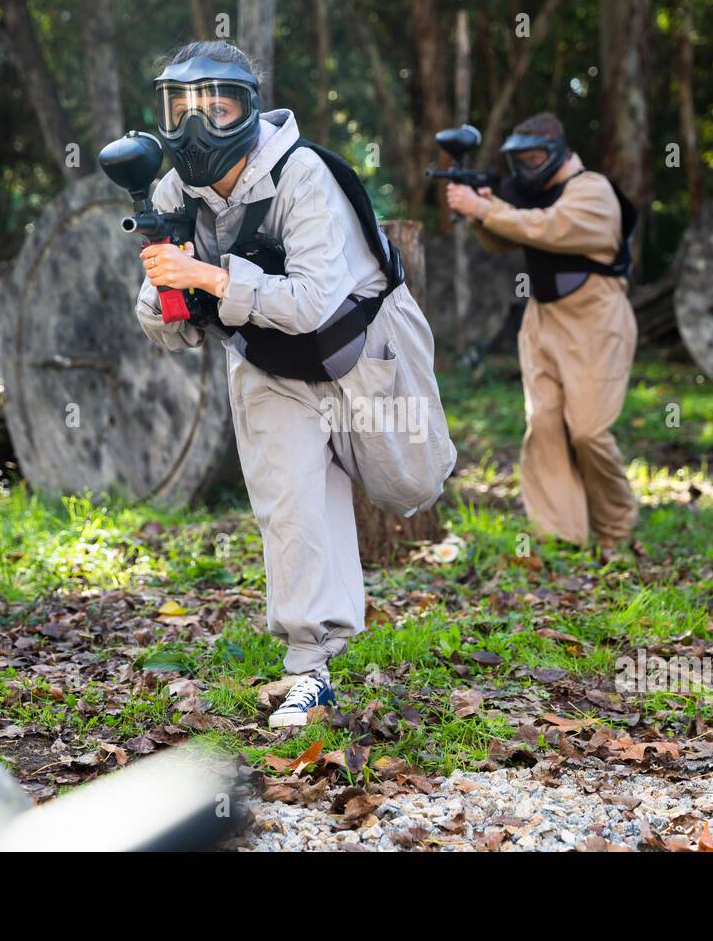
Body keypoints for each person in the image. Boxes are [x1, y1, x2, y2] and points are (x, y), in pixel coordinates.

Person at [131, 41, 456, 728]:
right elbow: (167, 322)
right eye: (180, 110)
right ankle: (312, 668)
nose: (196, 127)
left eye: (215, 109)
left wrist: (212, 279)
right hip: (269, 365)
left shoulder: (305, 175)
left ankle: (342, 453)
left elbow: (313, 302)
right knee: (292, 509)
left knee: (412, 487)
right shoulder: (170, 194)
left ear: (246, 110)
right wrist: (166, 298)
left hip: (364, 348)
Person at [446, 112, 638, 558]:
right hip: (542, 319)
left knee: (588, 430)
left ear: (556, 152)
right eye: (520, 158)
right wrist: (480, 215)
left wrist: (486, 208)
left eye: (534, 156)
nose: (527, 166)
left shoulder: (593, 191)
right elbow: (506, 238)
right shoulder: (534, 197)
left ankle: (615, 523)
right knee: (545, 424)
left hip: (595, 316)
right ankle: (561, 533)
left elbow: (549, 228)